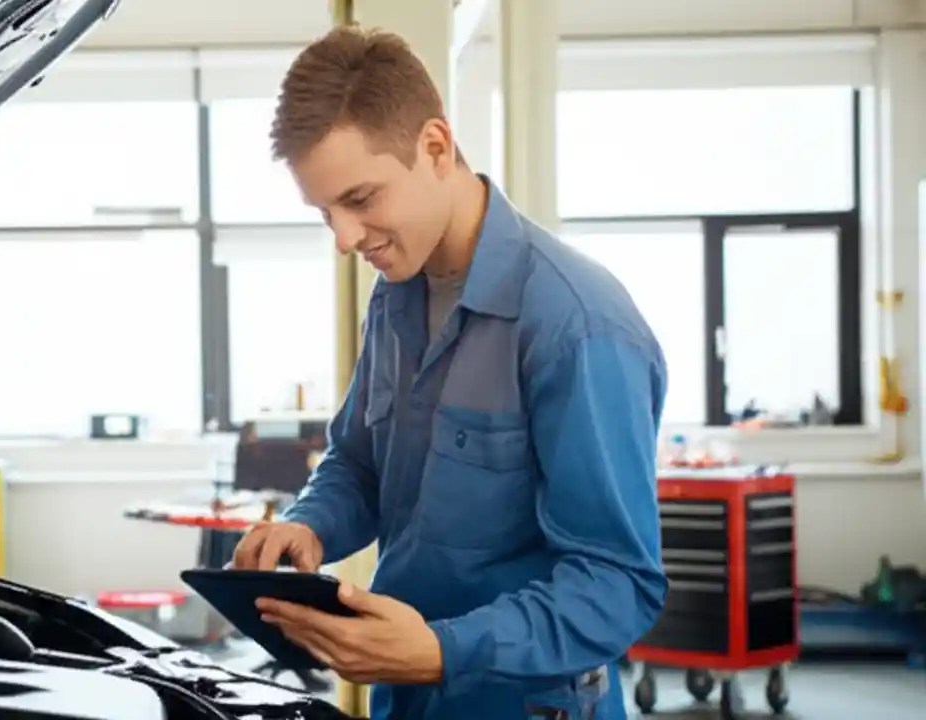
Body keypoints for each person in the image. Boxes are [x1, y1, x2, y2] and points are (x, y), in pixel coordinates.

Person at [230, 26, 669, 720]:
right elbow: (359, 464)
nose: (344, 239)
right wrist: (309, 527)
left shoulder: (576, 324)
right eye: (325, 213)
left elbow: (617, 585)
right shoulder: (397, 293)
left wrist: (441, 651)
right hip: (407, 696)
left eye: (361, 199)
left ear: (435, 147)